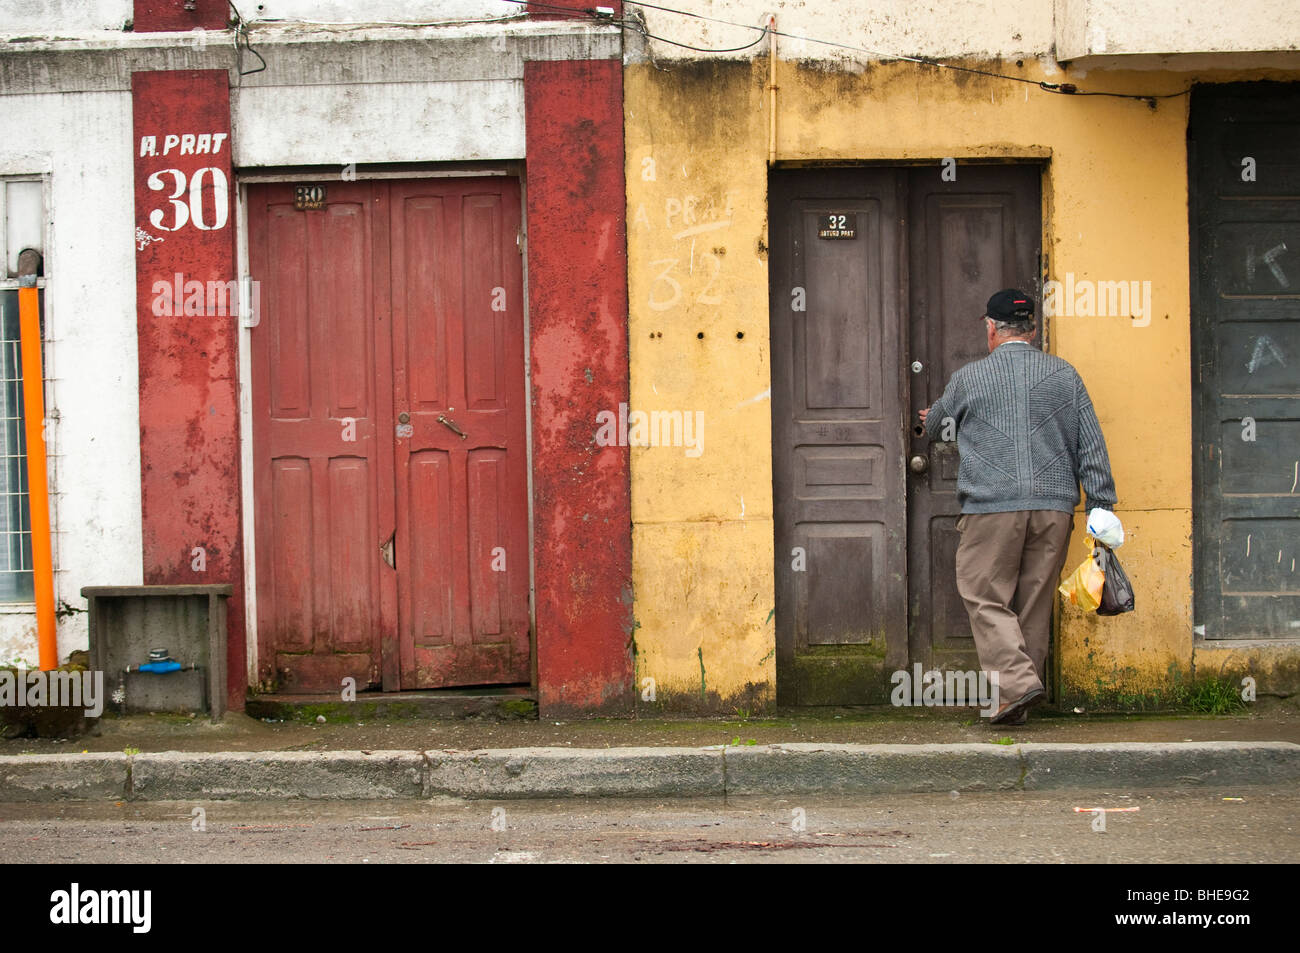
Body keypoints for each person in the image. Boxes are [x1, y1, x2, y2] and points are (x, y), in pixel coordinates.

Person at [919, 289, 1117, 725]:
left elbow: (935, 427)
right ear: (1032, 330)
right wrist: (1101, 502)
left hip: (992, 507)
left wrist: (931, 415)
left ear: (991, 328)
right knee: (1032, 603)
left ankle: (1016, 683)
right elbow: (1092, 446)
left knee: (984, 595)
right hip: (1054, 509)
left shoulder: (970, 378)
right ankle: (1014, 702)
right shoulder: (1065, 375)